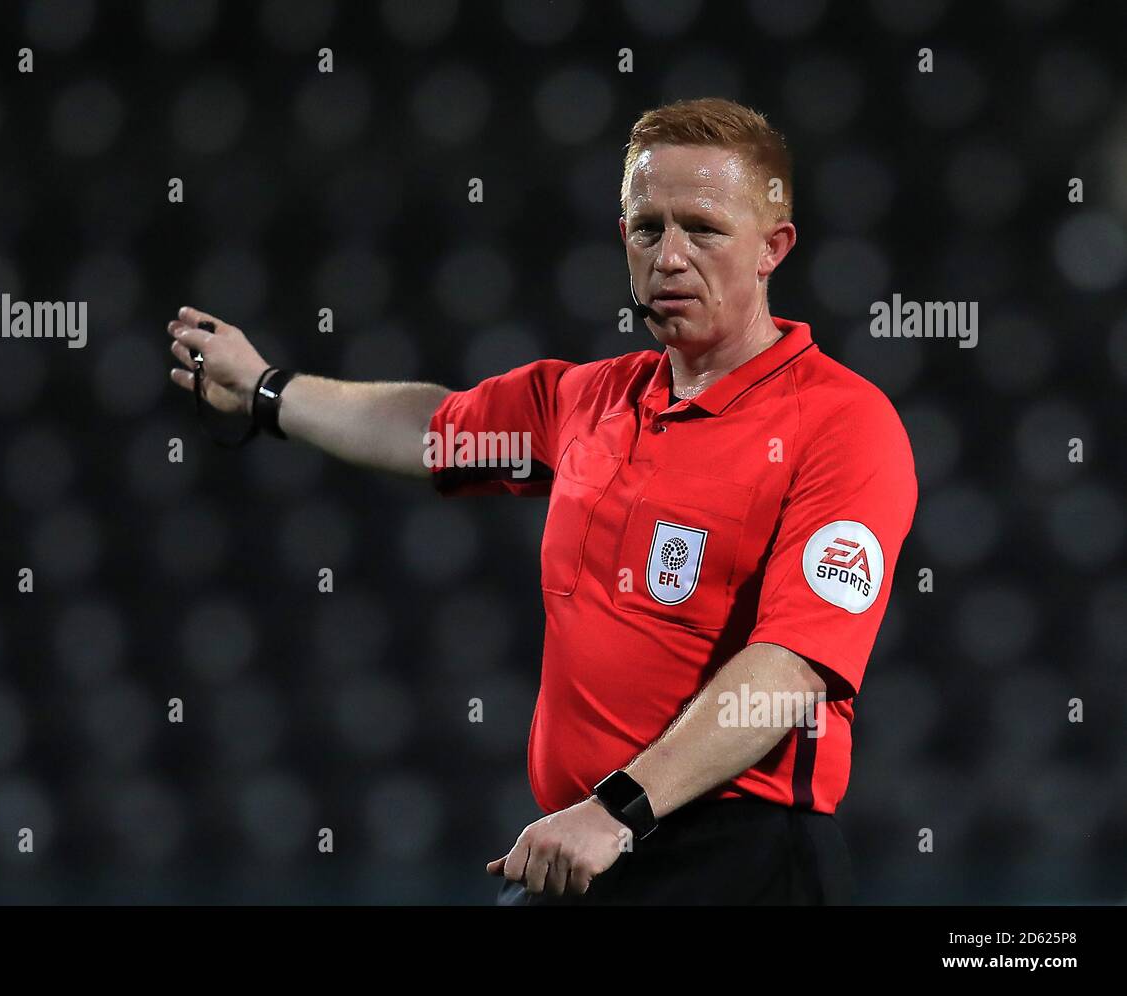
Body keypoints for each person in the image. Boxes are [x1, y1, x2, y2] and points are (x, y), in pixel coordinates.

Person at [166, 97, 917, 905]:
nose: (668, 256)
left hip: (741, 862)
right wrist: (270, 391)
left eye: (701, 228)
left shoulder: (842, 424)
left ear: (773, 247)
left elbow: (792, 671)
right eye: (645, 227)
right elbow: (433, 432)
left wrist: (620, 806)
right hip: (587, 851)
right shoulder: (588, 402)